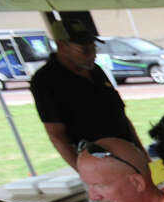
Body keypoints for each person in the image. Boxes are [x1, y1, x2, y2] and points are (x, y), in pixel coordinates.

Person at [31, 18, 142, 169]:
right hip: (98, 162)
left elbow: (120, 115)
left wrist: (140, 152)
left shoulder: (95, 70)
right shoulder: (46, 80)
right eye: (85, 50)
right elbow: (56, 134)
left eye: (94, 48)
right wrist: (84, 172)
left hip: (127, 151)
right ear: (62, 45)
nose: (93, 55)